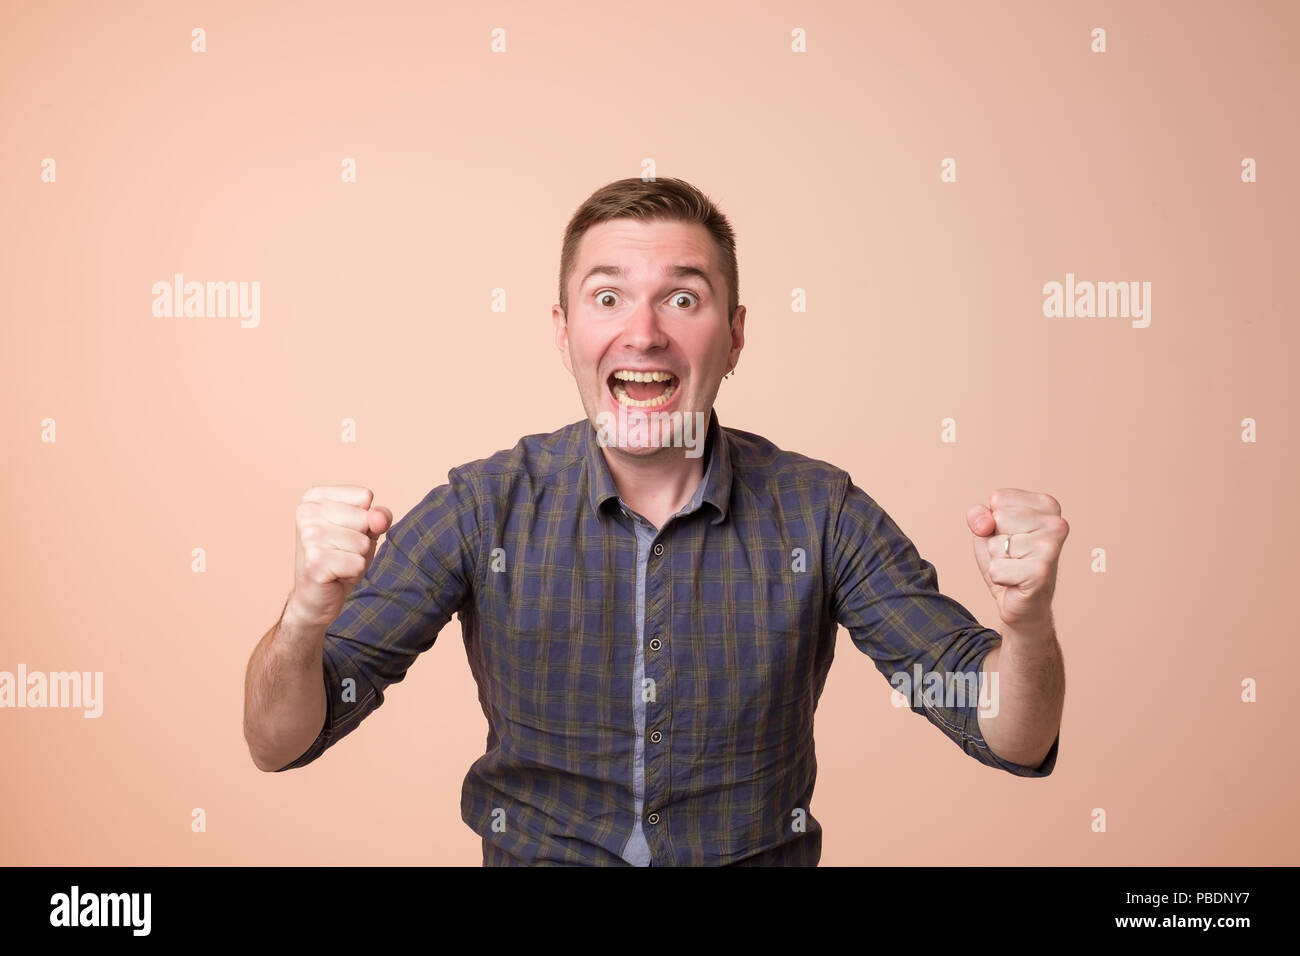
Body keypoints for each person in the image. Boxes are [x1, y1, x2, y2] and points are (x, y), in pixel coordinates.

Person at [242, 177, 1067, 866]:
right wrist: (306, 619)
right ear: (565, 334)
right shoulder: (479, 507)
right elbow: (280, 739)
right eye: (608, 297)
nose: (644, 332)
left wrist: (1025, 626)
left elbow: (1006, 734)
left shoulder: (822, 513)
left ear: (735, 336)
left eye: (682, 297)